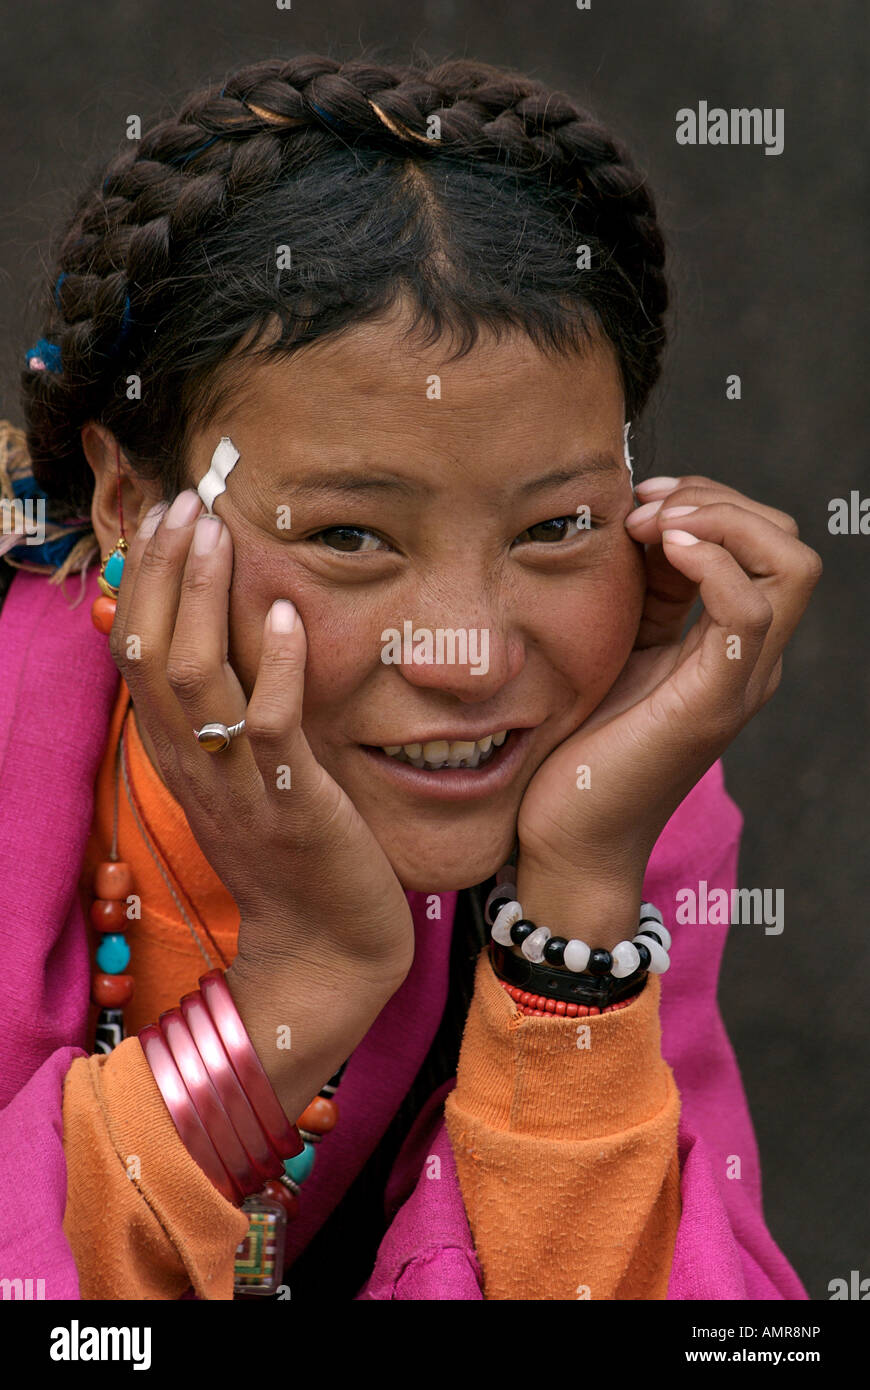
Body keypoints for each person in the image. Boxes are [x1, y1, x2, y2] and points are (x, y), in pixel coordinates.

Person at [0, 51, 820, 1301]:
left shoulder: (626, 808)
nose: (469, 655)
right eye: (347, 537)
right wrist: (307, 974)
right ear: (125, 499)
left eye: (555, 529)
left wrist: (571, 929)